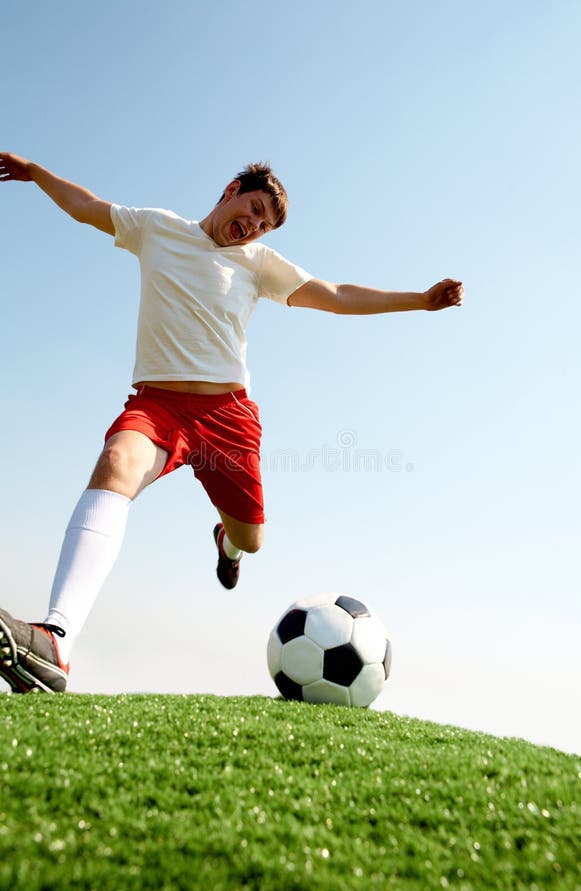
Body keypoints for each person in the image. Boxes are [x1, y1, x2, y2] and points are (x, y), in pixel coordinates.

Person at [0, 151, 464, 694]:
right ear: (231, 190)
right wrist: (37, 175)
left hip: (227, 420)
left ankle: (229, 544)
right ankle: (57, 640)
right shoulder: (157, 228)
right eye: (255, 208)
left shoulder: (258, 264)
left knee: (252, 537)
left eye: (265, 223)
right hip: (158, 408)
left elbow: (337, 297)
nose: (254, 225)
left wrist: (420, 301)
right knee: (115, 464)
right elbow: (88, 207)